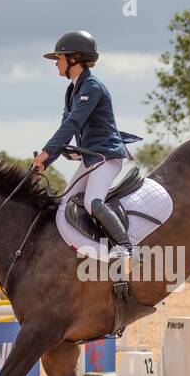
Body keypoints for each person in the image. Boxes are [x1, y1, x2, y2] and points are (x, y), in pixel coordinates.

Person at [31, 31, 142, 260]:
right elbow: (65, 127)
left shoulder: (92, 87)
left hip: (106, 157)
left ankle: (127, 249)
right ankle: (94, 252)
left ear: (74, 59)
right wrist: (46, 162)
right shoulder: (73, 89)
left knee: (92, 202)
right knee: (65, 204)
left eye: (59, 59)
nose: (57, 64)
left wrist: (46, 152)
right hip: (92, 159)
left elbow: (73, 124)